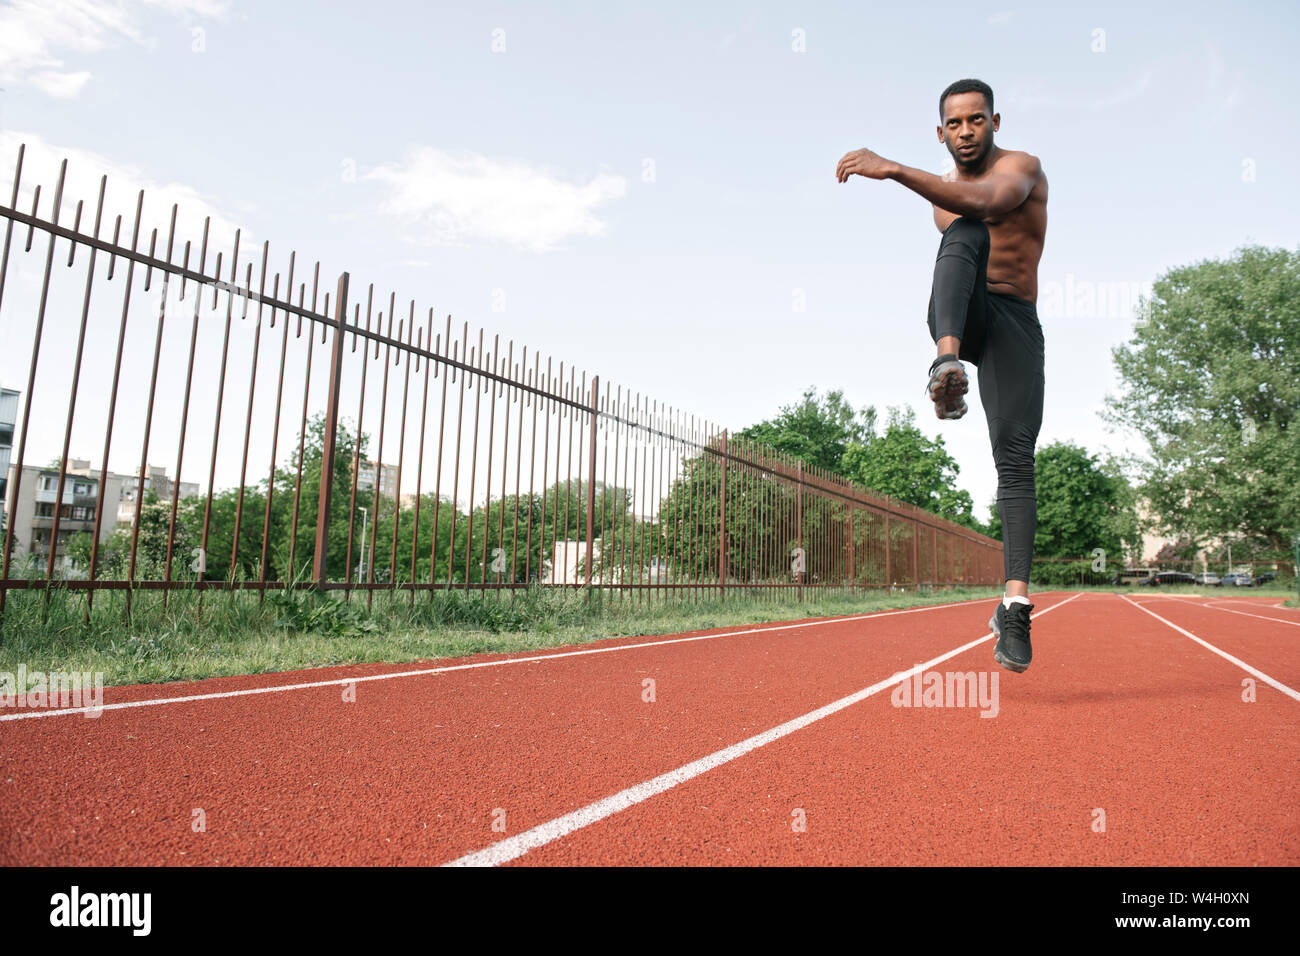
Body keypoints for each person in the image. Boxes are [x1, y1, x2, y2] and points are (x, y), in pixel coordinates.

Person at [835, 78, 1048, 673]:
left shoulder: (1024, 167)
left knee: (1014, 456)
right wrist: (951, 345)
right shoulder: (943, 195)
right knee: (962, 230)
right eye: (954, 124)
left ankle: (1015, 605)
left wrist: (891, 168)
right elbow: (965, 226)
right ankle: (946, 362)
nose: (965, 132)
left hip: (1014, 323)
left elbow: (990, 202)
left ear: (995, 122)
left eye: (975, 120)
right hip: (964, 315)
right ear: (941, 132)